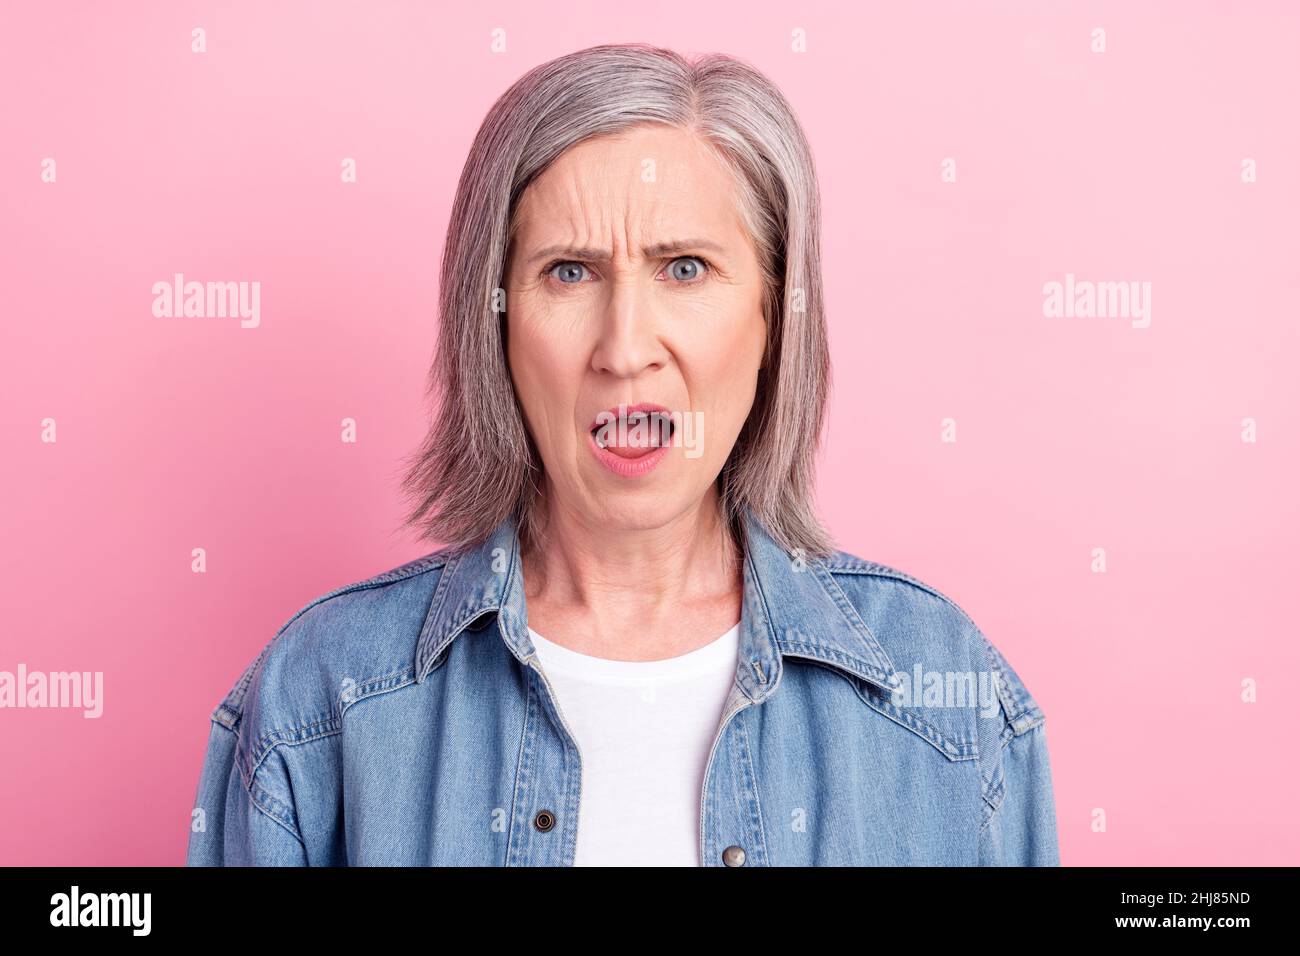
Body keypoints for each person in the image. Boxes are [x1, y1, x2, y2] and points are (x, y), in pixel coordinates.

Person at [185, 42, 1060, 866]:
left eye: (684, 268)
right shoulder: (321, 702)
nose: (625, 346)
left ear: (771, 324)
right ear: (493, 324)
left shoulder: (947, 697)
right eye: (570, 271)